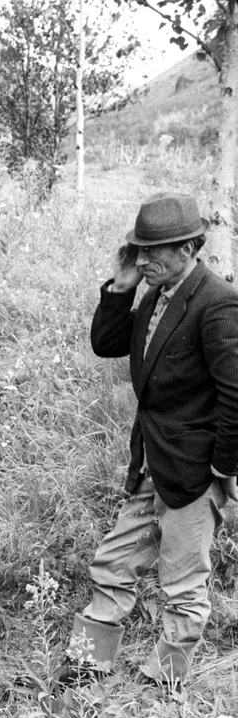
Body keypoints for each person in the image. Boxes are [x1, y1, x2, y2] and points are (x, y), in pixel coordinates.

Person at [56, 193, 238, 689]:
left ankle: (164, 690)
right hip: (152, 463)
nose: (142, 259)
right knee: (112, 564)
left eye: (153, 251)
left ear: (189, 247)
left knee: (182, 587)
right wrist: (120, 288)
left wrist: (221, 470)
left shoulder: (216, 300)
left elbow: (235, 395)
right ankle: (84, 672)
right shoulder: (157, 293)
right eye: (139, 249)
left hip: (193, 472)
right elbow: (106, 343)